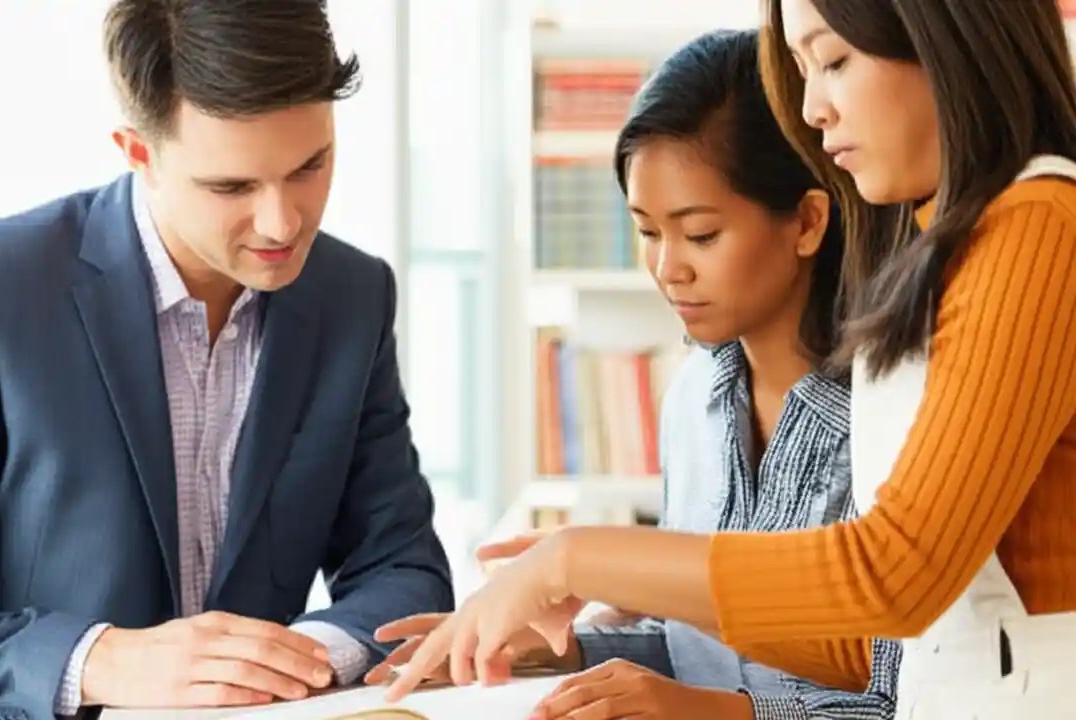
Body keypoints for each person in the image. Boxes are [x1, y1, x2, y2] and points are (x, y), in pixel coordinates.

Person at [384, 1, 1076, 717]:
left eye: (833, 61)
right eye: (802, 72)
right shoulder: (947, 258)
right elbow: (868, 645)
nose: (811, 110)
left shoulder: (1037, 229)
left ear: (943, 39)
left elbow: (893, 577)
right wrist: (615, 604)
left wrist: (576, 557)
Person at [0, 2, 452, 719]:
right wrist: (100, 661)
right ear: (137, 150)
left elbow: (402, 569)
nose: (282, 222)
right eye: (231, 187)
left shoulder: (351, 295)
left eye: (310, 166)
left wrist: (289, 664)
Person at [369, 30, 898, 720]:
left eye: (701, 234)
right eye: (648, 232)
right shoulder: (695, 400)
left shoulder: (891, 412)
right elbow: (695, 653)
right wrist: (557, 652)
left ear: (805, 220)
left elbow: (907, 699)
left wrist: (711, 714)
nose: (667, 268)